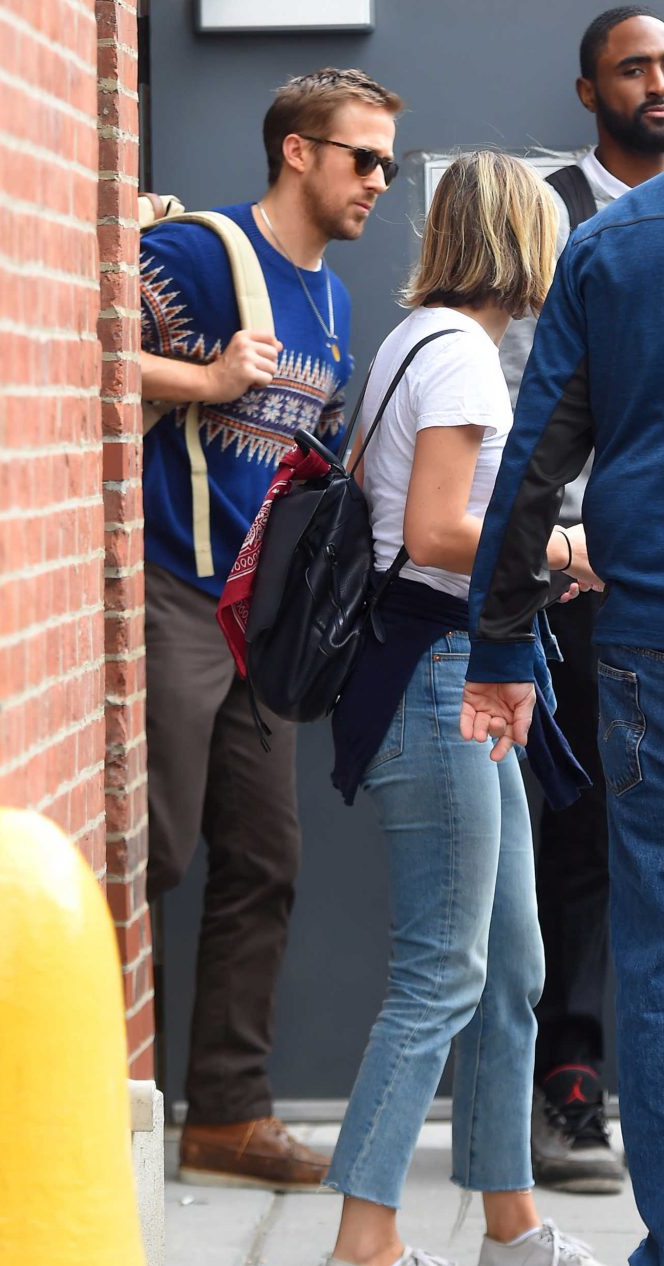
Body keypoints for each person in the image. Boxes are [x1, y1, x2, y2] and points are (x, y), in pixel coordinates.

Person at [322, 151, 605, 1266]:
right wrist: (561, 546)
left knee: (512, 966)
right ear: (517, 241)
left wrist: (533, 564)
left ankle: (512, 1227)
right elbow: (439, 535)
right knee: (441, 971)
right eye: (552, 234)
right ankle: (365, 1243)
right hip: (439, 677)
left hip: (450, 670)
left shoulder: (419, 344)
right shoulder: (462, 362)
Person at [139, 67, 402, 1189]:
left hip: (263, 621)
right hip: (171, 592)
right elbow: (72, 350)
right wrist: (200, 378)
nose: (380, 181)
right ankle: (89, 1095)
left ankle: (228, 1117)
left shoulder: (334, 300)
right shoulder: (205, 251)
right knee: (151, 849)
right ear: (298, 152)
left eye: (387, 161)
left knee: (267, 862)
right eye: (363, 158)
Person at [460, 159, 664, 1266]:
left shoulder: (614, 244)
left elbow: (534, 462)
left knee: (659, 945)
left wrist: (500, 646)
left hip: (647, 629)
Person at [498, 4, 664, 1195]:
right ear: (588, 88)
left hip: (632, 577)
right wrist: (553, 547)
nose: (659, 83)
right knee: (586, 852)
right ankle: (573, 1085)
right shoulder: (552, 213)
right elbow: (519, 404)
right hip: (591, 579)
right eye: (636, 67)